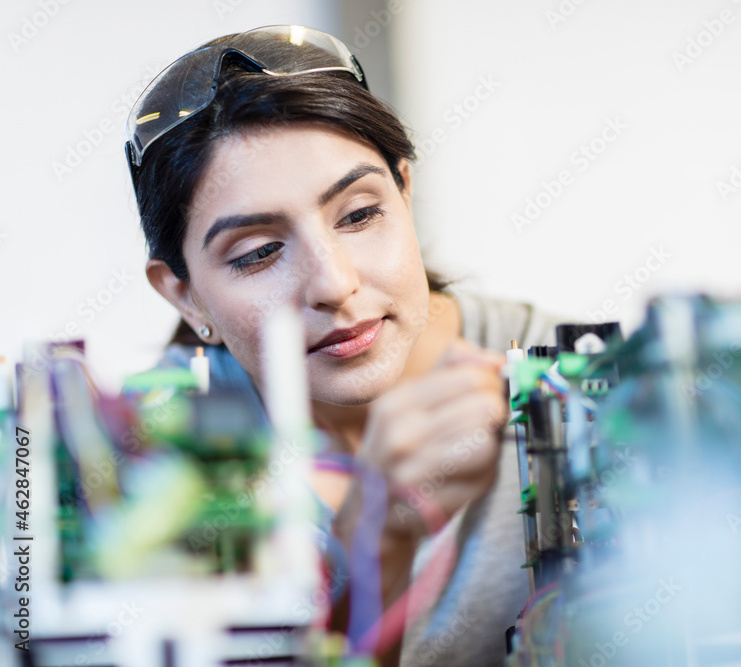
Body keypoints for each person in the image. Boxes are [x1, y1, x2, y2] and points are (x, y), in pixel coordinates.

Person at [126, 25, 566, 666]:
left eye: (359, 214)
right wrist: (375, 550)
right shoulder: (143, 473)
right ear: (184, 295)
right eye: (259, 252)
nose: (334, 283)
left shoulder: (573, 376)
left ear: (404, 193)